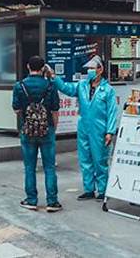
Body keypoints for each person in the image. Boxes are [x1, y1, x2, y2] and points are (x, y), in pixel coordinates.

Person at [49, 55, 118, 201]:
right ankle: (88, 189)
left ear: (100, 70)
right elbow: (66, 88)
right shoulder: (82, 85)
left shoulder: (108, 90)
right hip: (84, 127)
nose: (89, 71)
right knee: (85, 158)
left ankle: (103, 190)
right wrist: (54, 77)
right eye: (88, 69)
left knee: (100, 160)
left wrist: (110, 131)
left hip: (100, 129)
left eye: (92, 68)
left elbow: (112, 112)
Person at [12, 55, 62, 212]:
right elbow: (55, 110)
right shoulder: (50, 86)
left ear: (28, 67)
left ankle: (31, 199)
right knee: (49, 167)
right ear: (43, 68)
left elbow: (16, 109)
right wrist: (54, 126)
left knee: (29, 167)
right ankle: (52, 201)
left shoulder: (19, 86)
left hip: (27, 130)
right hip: (47, 130)